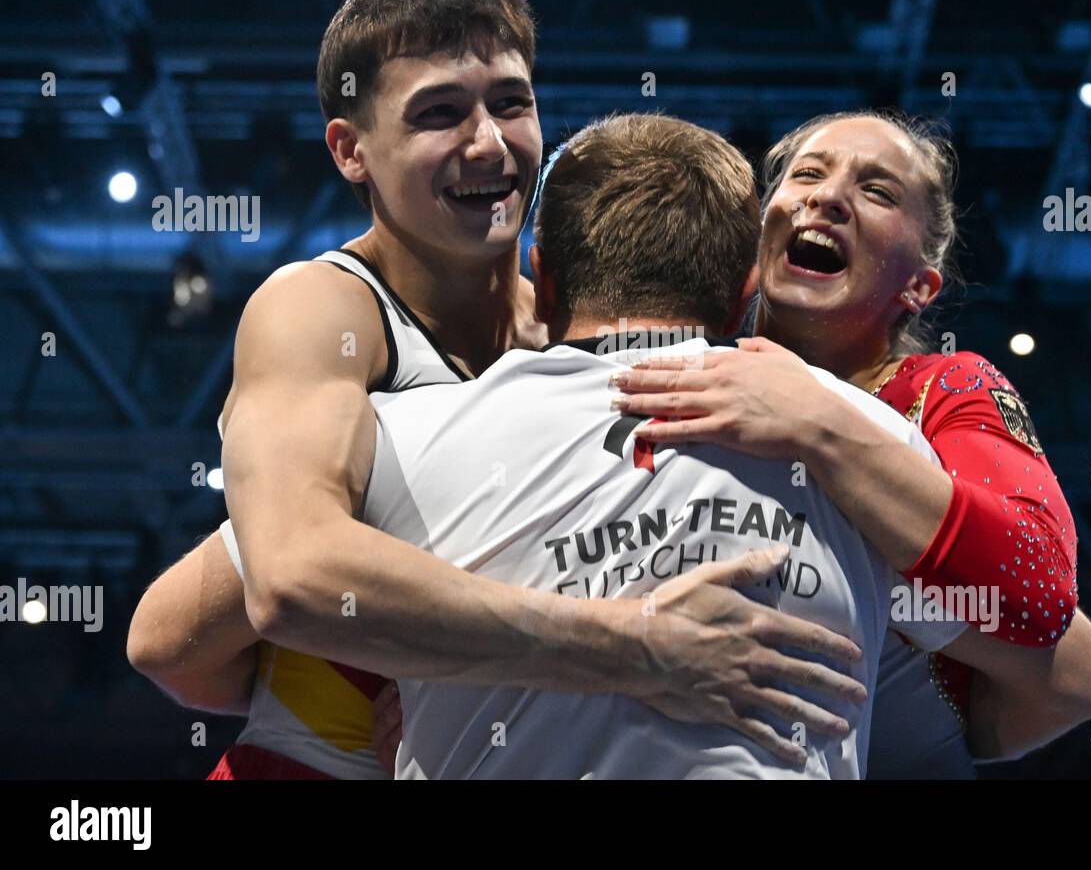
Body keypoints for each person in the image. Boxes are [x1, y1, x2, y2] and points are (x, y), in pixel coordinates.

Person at [127, 0, 862, 779]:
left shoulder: (566, 340)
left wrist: (449, 684)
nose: (489, 145)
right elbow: (261, 594)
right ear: (350, 150)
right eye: (439, 114)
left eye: (511, 103)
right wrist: (639, 644)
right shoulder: (321, 310)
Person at [367, 112, 966, 777]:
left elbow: (246, 631)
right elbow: (1055, 677)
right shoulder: (872, 441)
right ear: (748, 289)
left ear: (541, 281)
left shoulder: (402, 437)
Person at [612, 110, 1091, 774]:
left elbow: (1039, 591)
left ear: (918, 286)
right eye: (807, 174)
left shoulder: (943, 389)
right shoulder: (674, 362)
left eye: (876, 192)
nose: (828, 196)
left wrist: (817, 423)